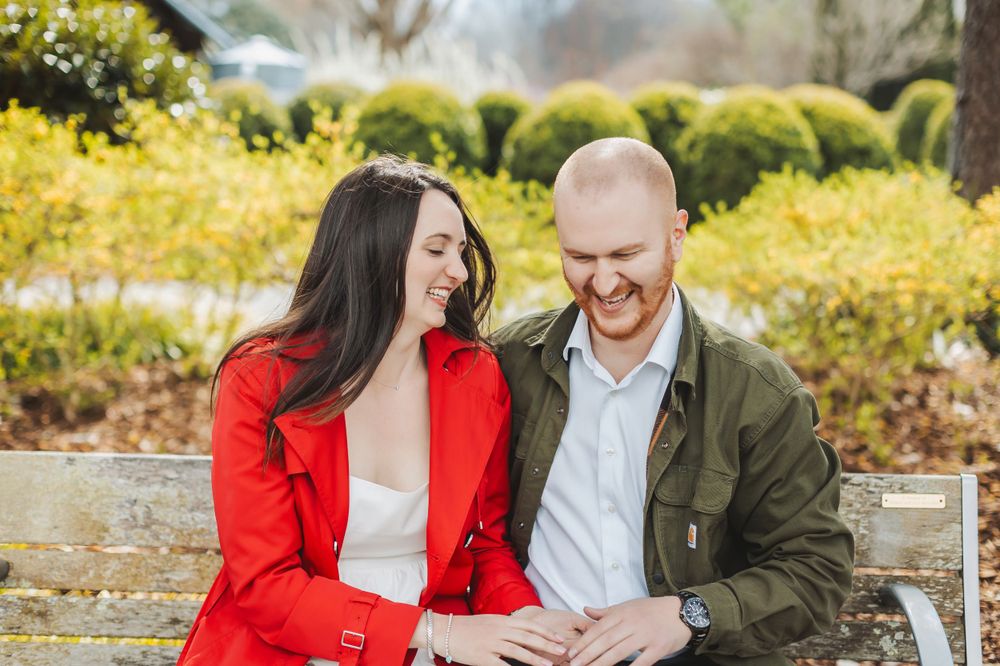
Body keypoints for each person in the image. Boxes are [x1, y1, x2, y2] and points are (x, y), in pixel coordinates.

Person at [178, 156, 585, 666]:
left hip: (438, 649)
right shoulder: (261, 379)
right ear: (371, 254)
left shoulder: (476, 375)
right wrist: (438, 632)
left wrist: (523, 617)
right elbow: (268, 585)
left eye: (460, 251)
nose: (458, 271)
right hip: (293, 647)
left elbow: (484, 547)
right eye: (436, 250)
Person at [493, 138, 855, 666]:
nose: (604, 281)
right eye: (580, 257)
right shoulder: (508, 365)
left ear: (676, 236)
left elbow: (815, 570)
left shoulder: (756, 394)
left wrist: (687, 615)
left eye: (625, 254)